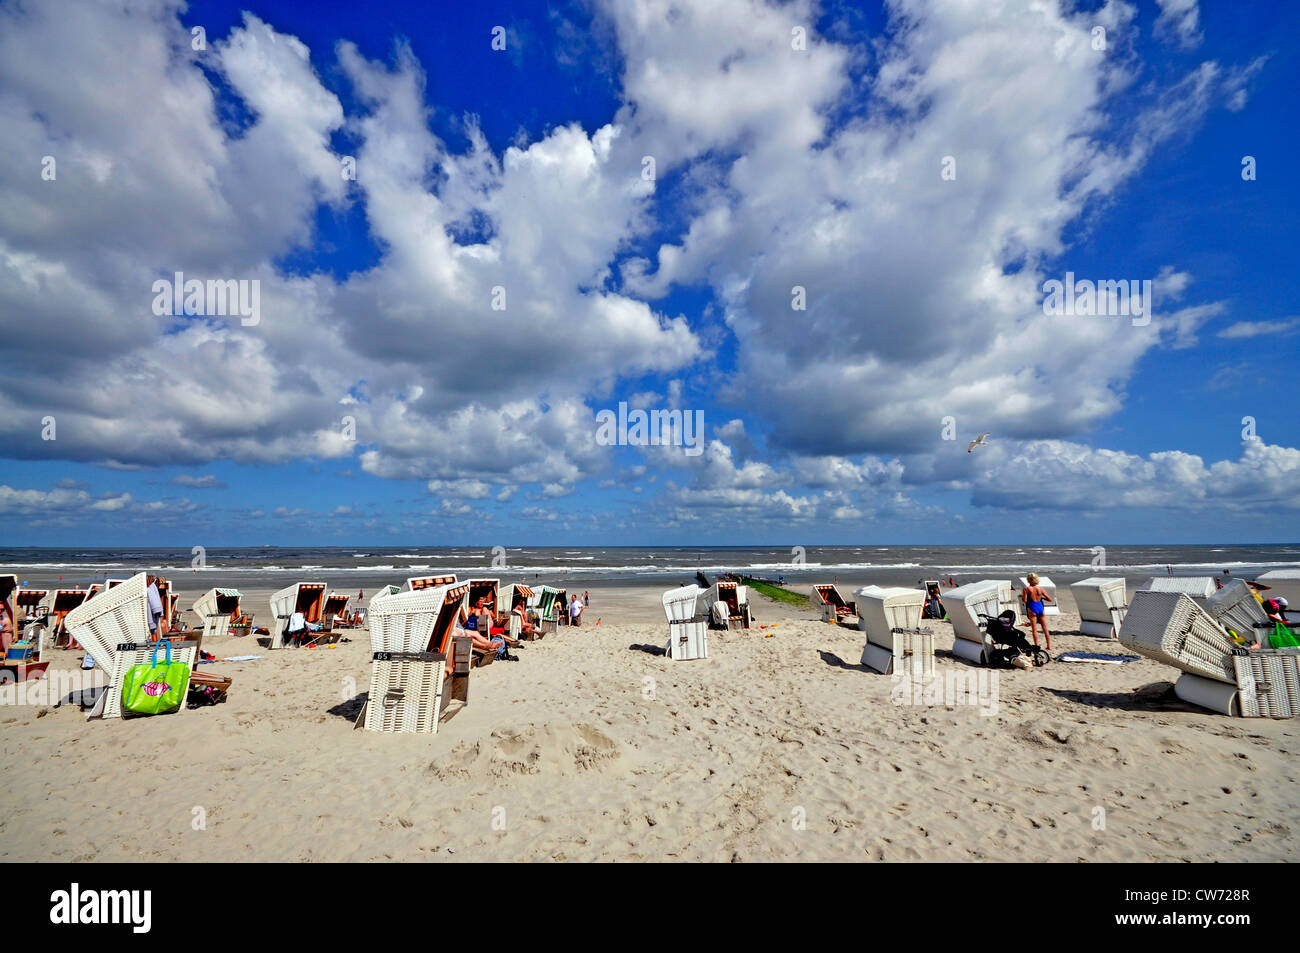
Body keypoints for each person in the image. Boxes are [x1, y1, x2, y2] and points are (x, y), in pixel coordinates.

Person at [1021, 572, 1053, 651]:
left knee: (1034, 629)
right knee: (1045, 627)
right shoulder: (1040, 589)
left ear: (1028, 580)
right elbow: (1050, 599)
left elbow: (1024, 600)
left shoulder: (1026, 589)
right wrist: (1041, 597)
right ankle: (1049, 646)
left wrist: (1024, 596)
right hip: (1040, 607)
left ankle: (1036, 645)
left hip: (1032, 607)